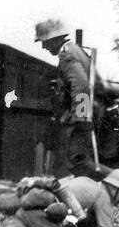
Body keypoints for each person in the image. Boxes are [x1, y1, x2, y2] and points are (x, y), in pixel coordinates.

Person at [35, 18, 99, 180]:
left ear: (55, 39)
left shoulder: (67, 55)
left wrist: (81, 118)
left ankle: (116, 184)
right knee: (79, 162)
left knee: (74, 163)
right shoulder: (78, 51)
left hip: (78, 119)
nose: (43, 47)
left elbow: (82, 85)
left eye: (45, 42)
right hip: (84, 116)